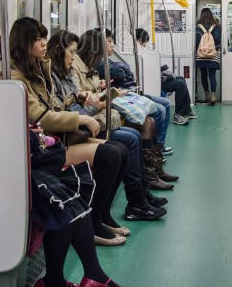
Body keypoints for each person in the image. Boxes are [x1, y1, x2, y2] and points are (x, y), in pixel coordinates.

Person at [0, 23, 120, 287]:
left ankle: (79, 274)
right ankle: (64, 278)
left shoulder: (18, 77)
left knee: (73, 192)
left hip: (20, 155)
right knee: (63, 193)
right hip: (1, 167)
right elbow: (29, 118)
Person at [8, 18, 129, 246]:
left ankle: (101, 214)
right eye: (37, 39)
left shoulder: (37, 70)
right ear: (24, 43)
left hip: (57, 139)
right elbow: (41, 116)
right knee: (111, 154)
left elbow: (53, 104)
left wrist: (75, 98)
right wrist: (79, 117)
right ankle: (93, 221)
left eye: (44, 38)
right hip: (46, 147)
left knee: (120, 150)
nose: (43, 43)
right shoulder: (17, 78)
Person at [48, 30, 165, 229]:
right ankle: (134, 200)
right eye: (109, 43)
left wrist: (96, 94)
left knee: (147, 123)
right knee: (130, 139)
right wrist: (99, 101)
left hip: (85, 121)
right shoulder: (67, 72)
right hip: (77, 129)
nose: (74, 56)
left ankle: (141, 193)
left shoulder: (73, 71)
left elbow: (77, 100)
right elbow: (70, 108)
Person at [74, 29, 176, 192]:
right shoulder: (80, 69)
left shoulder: (92, 67)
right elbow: (86, 105)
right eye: (109, 41)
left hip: (106, 109)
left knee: (152, 118)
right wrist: (106, 95)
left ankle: (151, 174)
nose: (73, 55)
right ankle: (141, 189)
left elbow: (119, 75)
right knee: (141, 128)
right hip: (96, 119)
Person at [135, 28, 195, 124]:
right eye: (144, 42)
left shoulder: (142, 53)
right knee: (180, 84)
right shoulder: (138, 54)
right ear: (138, 40)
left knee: (181, 79)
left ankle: (186, 111)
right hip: (153, 82)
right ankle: (178, 115)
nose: (145, 45)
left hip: (156, 79)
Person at [195, 7, 222, 105]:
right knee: (212, 76)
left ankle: (206, 95)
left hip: (200, 55)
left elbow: (196, 41)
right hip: (213, 55)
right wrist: (215, 49)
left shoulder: (198, 27)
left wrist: (200, 49)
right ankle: (213, 96)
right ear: (211, 14)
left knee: (203, 75)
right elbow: (218, 41)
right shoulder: (217, 26)